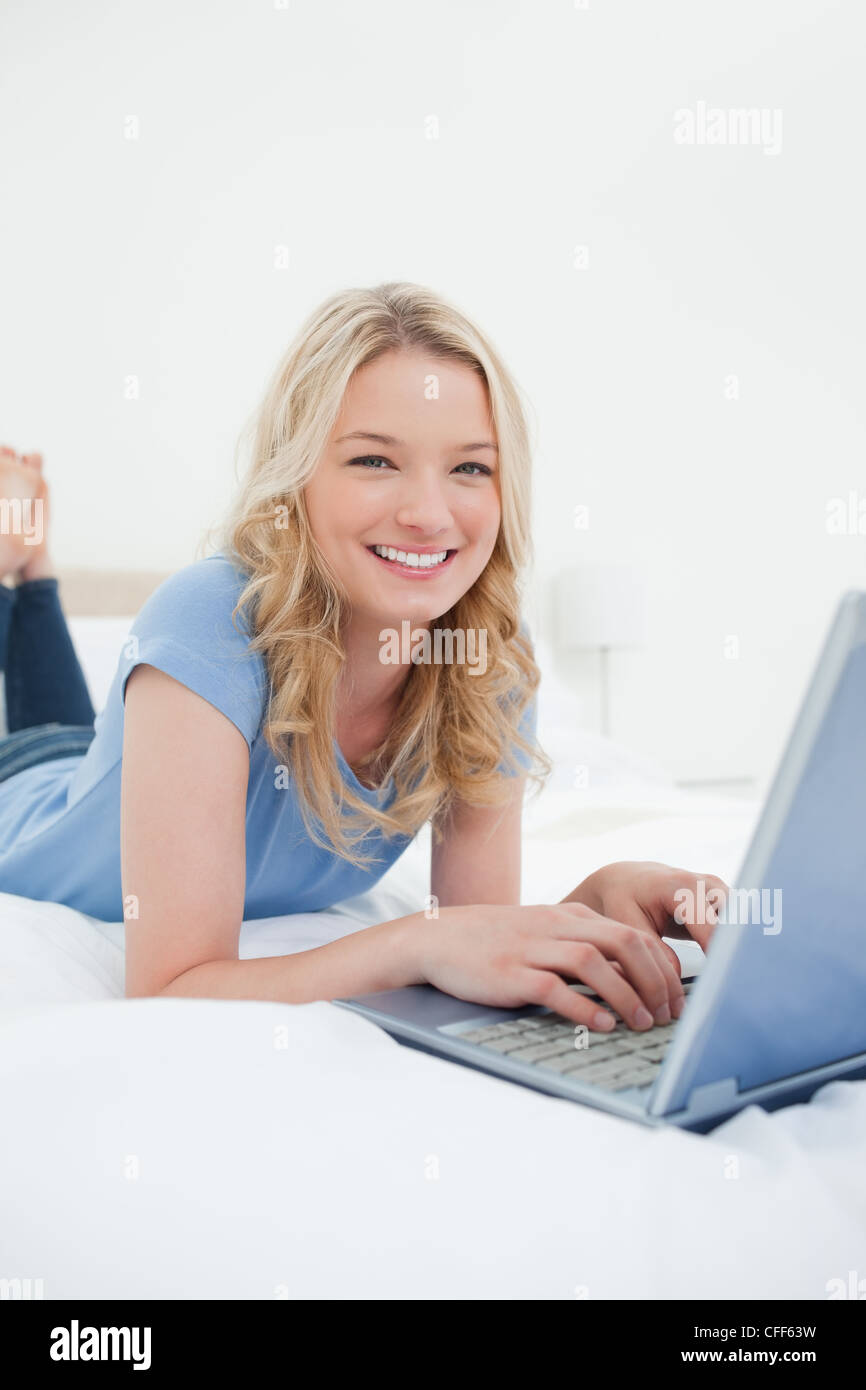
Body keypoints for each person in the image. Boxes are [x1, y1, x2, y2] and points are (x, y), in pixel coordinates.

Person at [0, 282, 726, 1030]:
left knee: (77, 731)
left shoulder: (489, 655)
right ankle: (27, 570)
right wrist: (413, 942)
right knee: (44, 737)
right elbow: (170, 986)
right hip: (21, 792)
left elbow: (478, 932)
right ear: (297, 476)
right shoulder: (207, 621)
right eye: (375, 461)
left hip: (112, 760)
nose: (427, 514)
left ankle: (28, 566)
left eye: (470, 468)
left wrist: (591, 906)